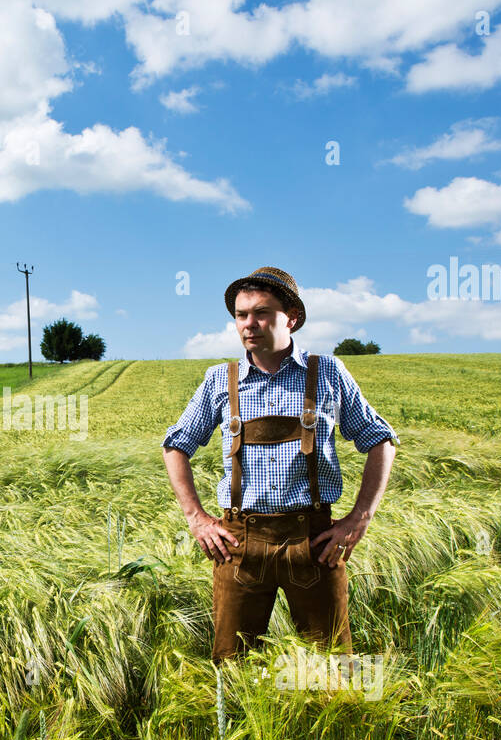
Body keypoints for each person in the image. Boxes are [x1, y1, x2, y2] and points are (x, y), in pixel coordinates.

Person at [160, 266, 398, 664]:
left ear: (292, 317)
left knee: (332, 666)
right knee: (231, 667)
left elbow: (381, 440)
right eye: (241, 315)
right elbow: (175, 445)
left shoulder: (328, 373)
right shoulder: (221, 379)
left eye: (262, 313)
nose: (249, 324)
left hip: (315, 541)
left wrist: (359, 518)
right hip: (239, 543)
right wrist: (197, 519)